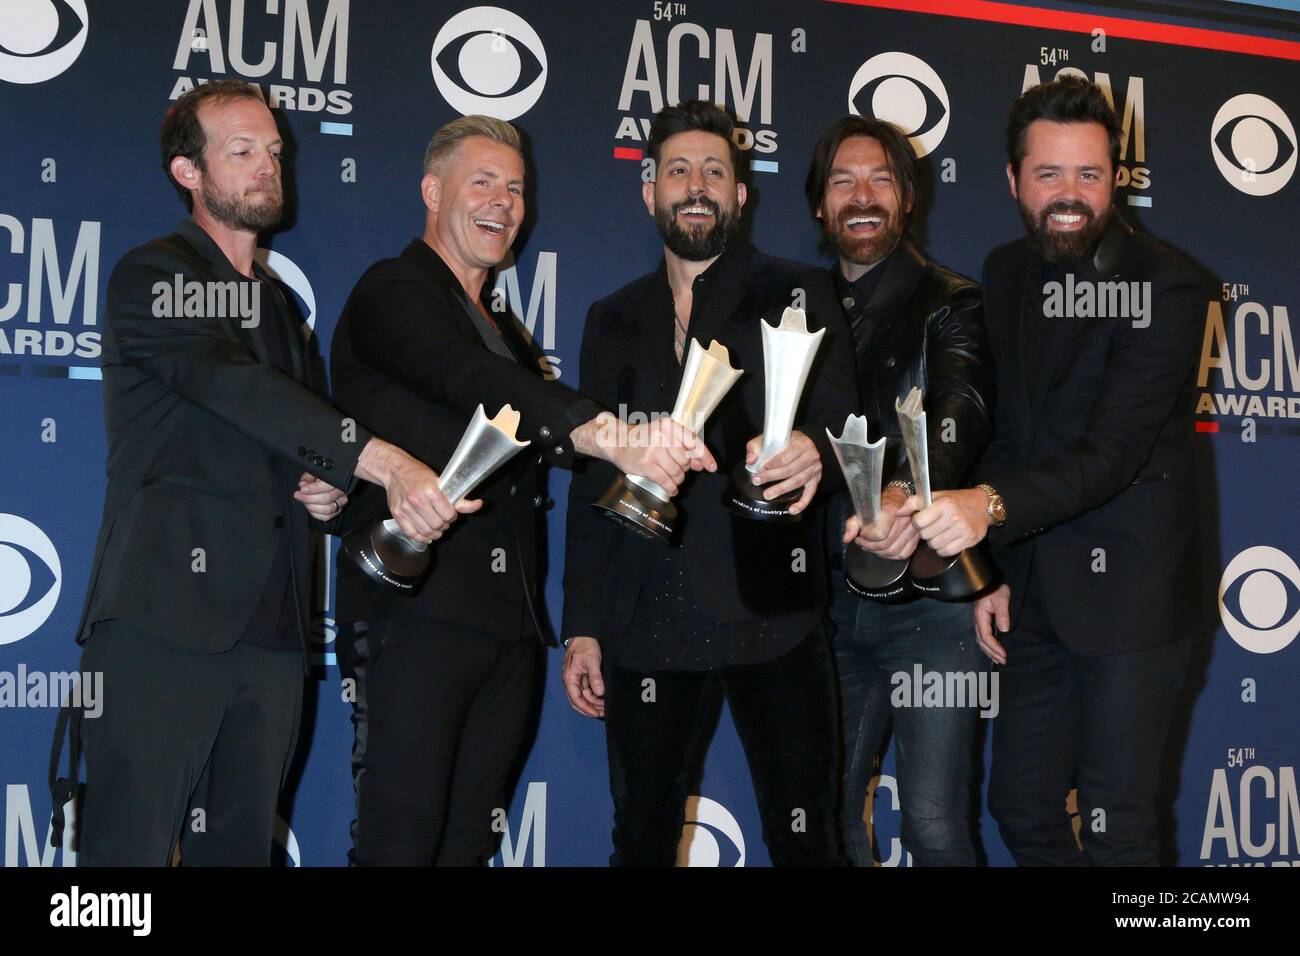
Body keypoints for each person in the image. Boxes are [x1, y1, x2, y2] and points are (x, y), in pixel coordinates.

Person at [65, 80, 467, 866]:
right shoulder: (152, 274)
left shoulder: (283, 308)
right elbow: (228, 383)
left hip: (275, 635)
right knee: (124, 859)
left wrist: (328, 485)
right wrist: (379, 461)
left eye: (275, 152)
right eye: (242, 151)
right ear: (189, 172)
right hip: (162, 624)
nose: (266, 167)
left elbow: (289, 434)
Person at [330, 115, 711, 866]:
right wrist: (607, 433)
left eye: (516, 188)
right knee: (398, 846)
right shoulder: (394, 289)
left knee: (469, 847)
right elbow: (469, 381)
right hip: (416, 618)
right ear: (432, 191)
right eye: (483, 182)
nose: (505, 202)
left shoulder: (504, 329)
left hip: (507, 631)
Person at [910, 77, 1204, 865]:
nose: (1070, 195)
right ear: (1012, 180)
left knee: (1117, 827)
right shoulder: (1004, 273)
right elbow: (1009, 432)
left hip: (1133, 605)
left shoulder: (1168, 285)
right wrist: (988, 570)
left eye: (1090, 174)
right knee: (1019, 808)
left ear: (1117, 178)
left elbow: (1112, 452)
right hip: (1035, 595)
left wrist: (988, 507)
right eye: (1049, 175)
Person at [560, 100, 856, 866]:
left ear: (741, 195)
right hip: (644, 615)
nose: (697, 185)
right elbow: (592, 479)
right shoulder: (609, 317)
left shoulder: (799, 292)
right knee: (642, 841)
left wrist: (818, 455)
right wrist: (584, 622)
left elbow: (845, 423)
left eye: (715, 172)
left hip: (773, 610)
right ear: (649, 190)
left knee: (806, 839)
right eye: (679, 170)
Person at [807, 116, 993, 866]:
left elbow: (960, 415)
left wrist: (903, 500)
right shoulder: (795, 308)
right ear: (820, 204)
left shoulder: (953, 301)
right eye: (843, 180)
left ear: (908, 198)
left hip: (931, 608)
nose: (862, 196)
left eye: (881, 178)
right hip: (822, 607)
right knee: (824, 818)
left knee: (934, 825)